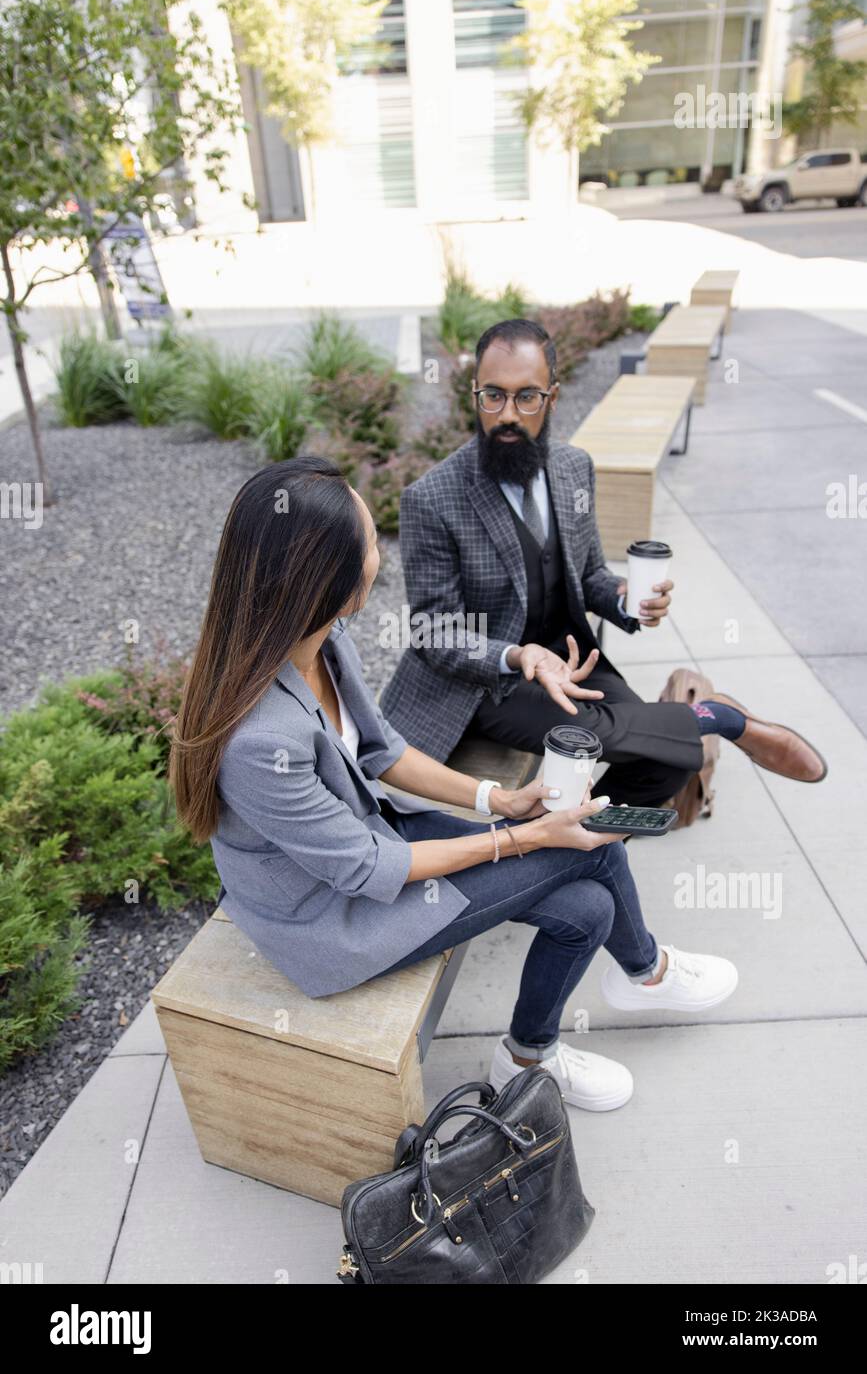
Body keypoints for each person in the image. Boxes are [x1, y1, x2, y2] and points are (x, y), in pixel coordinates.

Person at [170, 457, 739, 1113]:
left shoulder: (321, 641)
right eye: (370, 540)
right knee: (595, 846)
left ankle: (532, 1050)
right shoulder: (261, 740)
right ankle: (642, 975)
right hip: (331, 918)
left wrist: (498, 802)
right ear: (327, 577)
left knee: (586, 907)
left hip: (371, 842)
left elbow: (382, 750)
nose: (381, 553)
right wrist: (520, 839)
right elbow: (362, 869)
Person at [380, 318, 827, 807]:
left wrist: (627, 600)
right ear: (475, 395)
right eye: (494, 395)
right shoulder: (432, 498)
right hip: (487, 686)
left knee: (672, 763)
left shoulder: (574, 468)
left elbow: (589, 573)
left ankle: (566, 850)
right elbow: (433, 631)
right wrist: (516, 655)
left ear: (551, 397)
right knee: (608, 734)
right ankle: (719, 718)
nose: (508, 413)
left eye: (526, 396)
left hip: (572, 663)